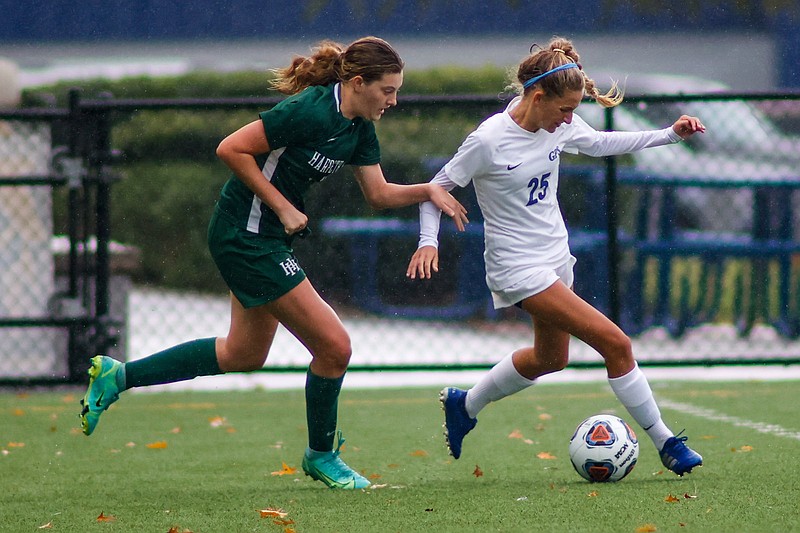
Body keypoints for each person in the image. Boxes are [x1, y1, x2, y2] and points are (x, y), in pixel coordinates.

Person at [79, 36, 468, 490]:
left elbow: (378, 194)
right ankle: (321, 456)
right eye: (388, 90)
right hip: (243, 235)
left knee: (242, 354)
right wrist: (283, 206)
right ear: (359, 83)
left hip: (262, 238)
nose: (394, 100)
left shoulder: (359, 125)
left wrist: (428, 190)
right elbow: (231, 148)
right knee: (335, 347)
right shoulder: (308, 109)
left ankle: (117, 375)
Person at [406, 36, 704, 476]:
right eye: (565, 109)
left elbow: (601, 142)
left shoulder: (558, 124)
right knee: (616, 344)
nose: (570, 119)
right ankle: (666, 442)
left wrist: (668, 136)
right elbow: (435, 191)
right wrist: (427, 240)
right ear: (537, 96)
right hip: (516, 267)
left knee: (551, 359)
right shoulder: (488, 140)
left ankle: (464, 404)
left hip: (554, 257)